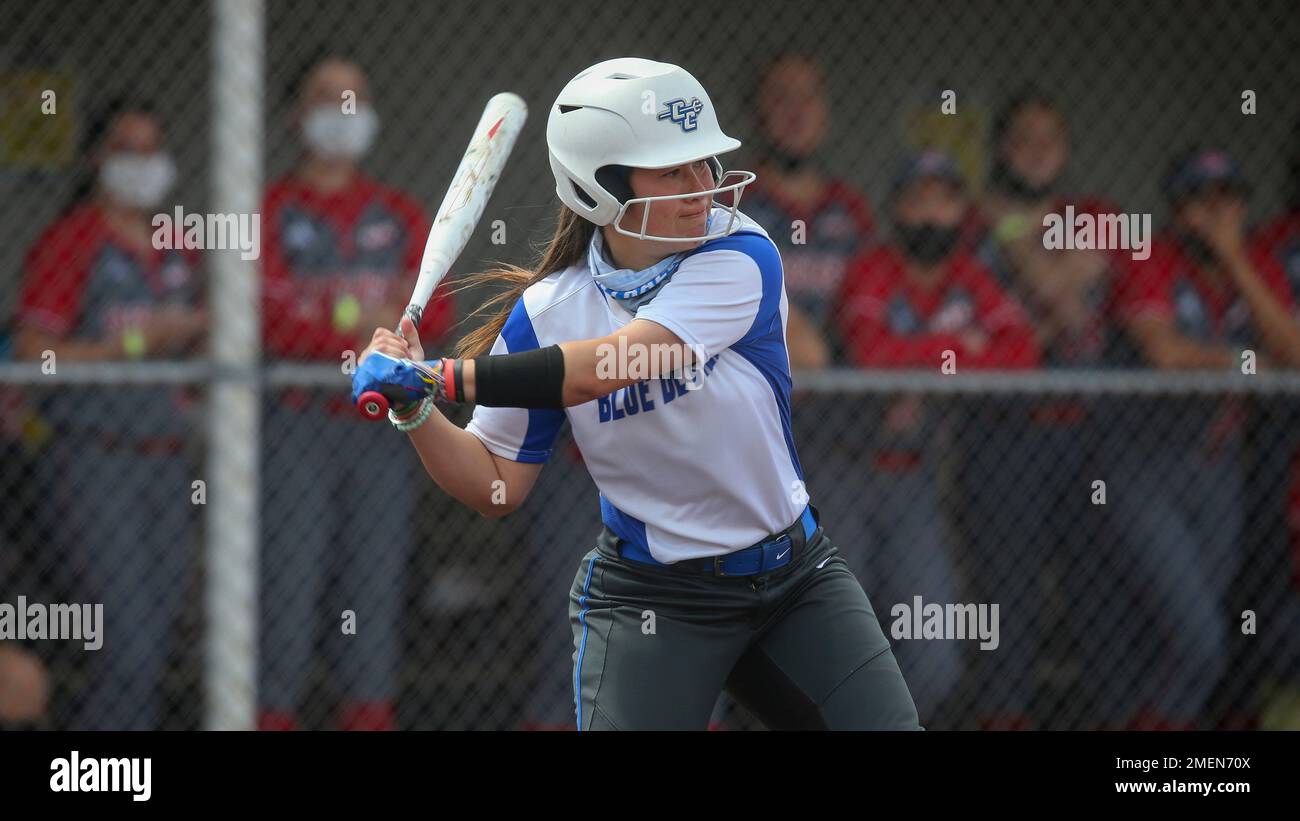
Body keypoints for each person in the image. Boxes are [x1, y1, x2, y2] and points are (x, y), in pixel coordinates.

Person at [351, 57, 920, 730]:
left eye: (704, 163)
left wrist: (441, 376)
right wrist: (415, 410)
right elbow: (494, 484)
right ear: (602, 189)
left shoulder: (741, 253)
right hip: (654, 598)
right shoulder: (549, 311)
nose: (702, 186)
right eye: (672, 169)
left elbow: (617, 362)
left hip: (794, 582)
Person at [258, 57, 453, 731]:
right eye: (324, 96)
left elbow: (438, 309)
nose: (342, 110)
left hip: (383, 427)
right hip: (296, 425)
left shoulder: (398, 211)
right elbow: (265, 315)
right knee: (285, 593)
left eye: (355, 96)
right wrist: (368, 312)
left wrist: (338, 315)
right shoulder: (270, 209)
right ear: (294, 113)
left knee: (371, 597)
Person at [12, 101, 205, 729]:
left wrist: (202, 332)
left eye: (152, 149)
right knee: (126, 646)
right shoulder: (71, 240)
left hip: (169, 463)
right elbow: (33, 357)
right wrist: (132, 344)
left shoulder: (178, 244)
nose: (142, 164)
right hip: (92, 456)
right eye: (126, 149)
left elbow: (203, 339)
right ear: (95, 158)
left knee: (153, 646)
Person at [837, 151, 1039, 721]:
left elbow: (1022, 357)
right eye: (917, 200)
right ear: (895, 209)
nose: (931, 214)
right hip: (841, 473)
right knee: (837, 650)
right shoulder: (871, 267)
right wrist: (961, 353)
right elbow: (872, 356)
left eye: (945, 200)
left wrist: (921, 369)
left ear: (963, 213)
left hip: (917, 482)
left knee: (934, 658)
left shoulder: (971, 278)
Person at [1110, 149, 1300, 728]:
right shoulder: (1151, 257)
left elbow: (1293, 356)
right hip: (1145, 467)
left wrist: (1233, 257)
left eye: (1227, 201)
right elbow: (1165, 352)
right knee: (1199, 638)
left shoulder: (1257, 263)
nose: (1214, 215)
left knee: (1193, 641)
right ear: (1175, 209)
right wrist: (1244, 361)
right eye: (1200, 202)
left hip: (1218, 468)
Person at [960, 93, 1125, 727]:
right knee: (1006, 591)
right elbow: (984, 325)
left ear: (1066, 150)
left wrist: (1015, 232)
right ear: (1000, 148)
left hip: (1085, 435)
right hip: (1002, 431)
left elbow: (1060, 295)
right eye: (1022, 137)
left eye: (1049, 137)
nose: (1036, 148)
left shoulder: (1095, 213)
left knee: (1097, 583)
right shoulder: (968, 223)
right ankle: (1004, 718)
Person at [739, 52, 875, 368]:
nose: (796, 112)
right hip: (757, 376)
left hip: (844, 384)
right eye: (781, 97)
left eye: (808, 97)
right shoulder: (735, 202)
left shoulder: (850, 208)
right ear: (756, 111)